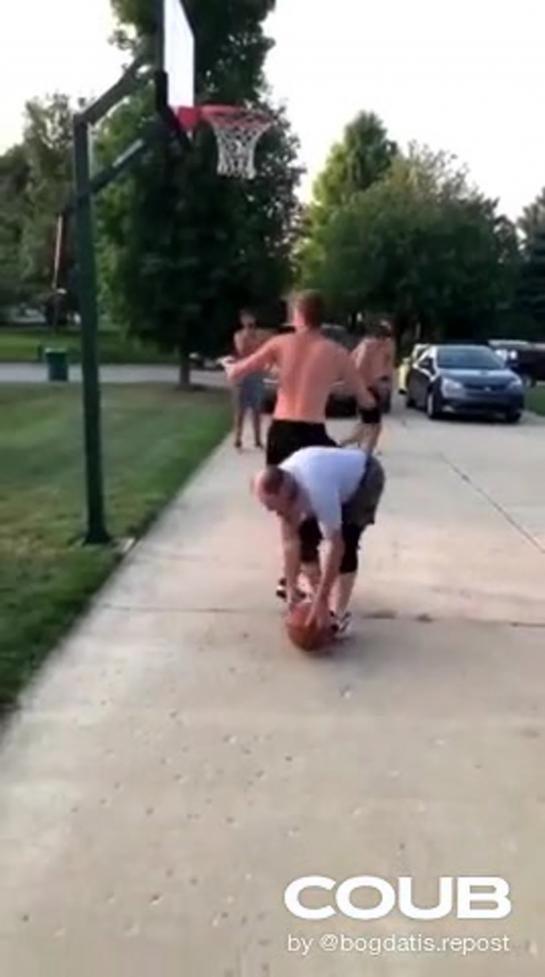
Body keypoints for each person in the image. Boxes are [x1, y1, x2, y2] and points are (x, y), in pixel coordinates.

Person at [223, 291, 380, 599]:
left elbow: (238, 373)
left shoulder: (280, 344)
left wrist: (229, 366)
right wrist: (368, 423)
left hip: (282, 432)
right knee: (314, 505)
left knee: (286, 513)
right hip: (312, 434)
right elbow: (365, 400)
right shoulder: (336, 352)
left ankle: (290, 579)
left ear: (298, 315)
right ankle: (311, 573)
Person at [253, 445, 385, 637]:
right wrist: (290, 586)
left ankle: (338, 615)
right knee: (306, 537)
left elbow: (336, 546)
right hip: (328, 475)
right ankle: (314, 593)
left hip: (364, 479)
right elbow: (290, 542)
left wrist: (322, 599)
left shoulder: (318, 490)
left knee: (347, 541)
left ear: (285, 494)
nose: (270, 511)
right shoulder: (283, 480)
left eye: (272, 506)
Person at [344, 318, 396, 453]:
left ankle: (357, 447)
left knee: (368, 423)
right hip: (369, 388)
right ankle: (363, 451)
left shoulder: (371, 345)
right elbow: (360, 365)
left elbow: (352, 361)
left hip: (369, 388)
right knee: (373, 425)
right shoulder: (371, 346)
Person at [231, 309, 268, 450]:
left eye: (251, 319)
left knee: (257, 409)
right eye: (246, 319)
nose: (249, 322)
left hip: (257, 375)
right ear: (242, 321)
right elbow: (242, 350)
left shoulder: (260, 336)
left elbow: (261, 351)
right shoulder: (239, 335)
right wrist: (247, 334)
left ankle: (258, 440)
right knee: (240, 410)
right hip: (242, 376)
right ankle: (238, 438)